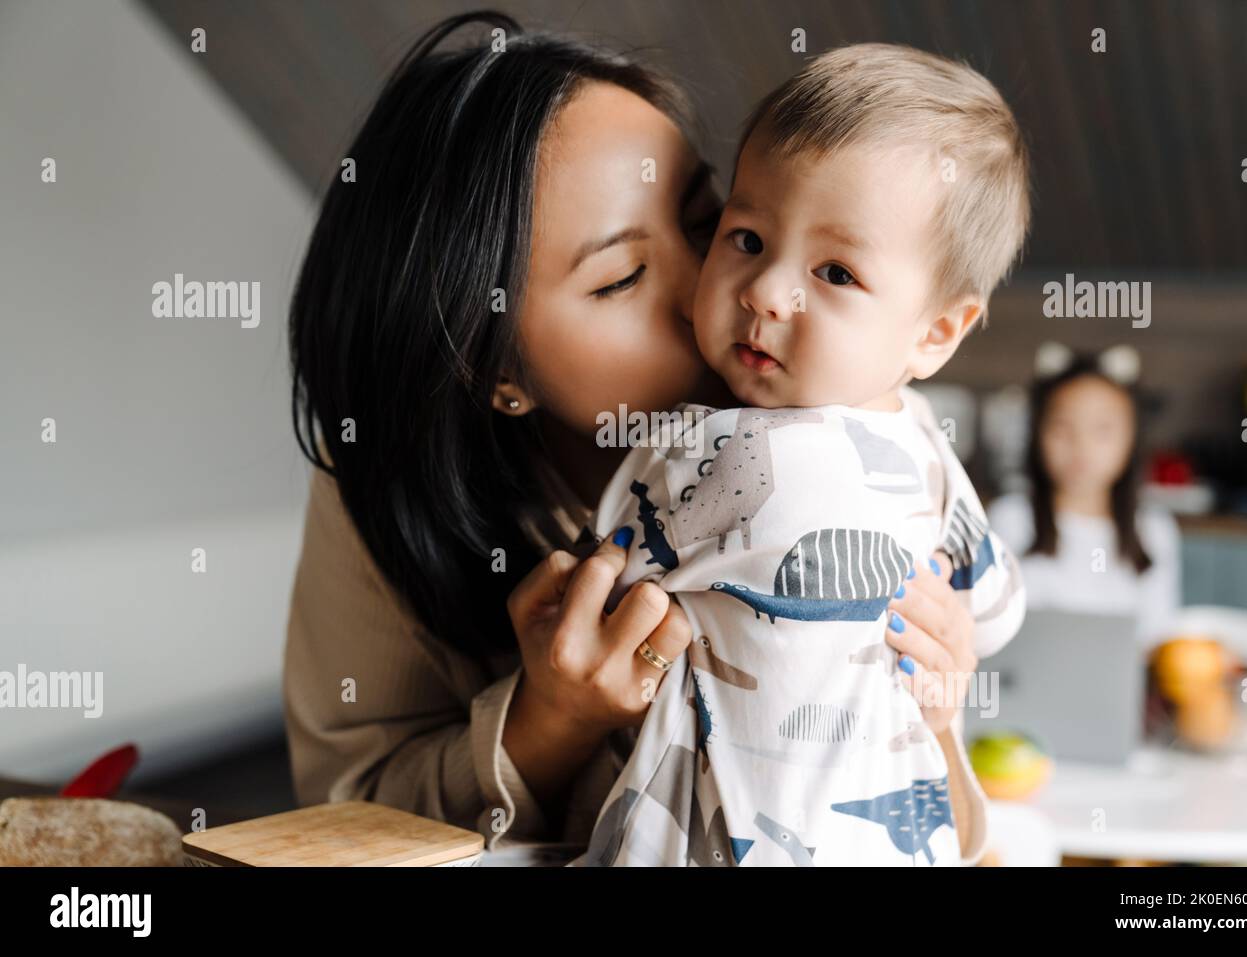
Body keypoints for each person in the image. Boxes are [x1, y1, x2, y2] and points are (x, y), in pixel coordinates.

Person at [283, 12, 993, 865]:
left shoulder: (869, 443)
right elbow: (334, 821)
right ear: (491, 371)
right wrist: (552, 719)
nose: (743, 289)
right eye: (621, 277)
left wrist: (936, 712)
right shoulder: (379, 482)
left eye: (709, 221)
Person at [575, 43, 1029, 867]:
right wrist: (954, 634)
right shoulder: (928, 443)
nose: (766, 292)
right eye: (746, 237)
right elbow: (996, 605)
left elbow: (602, 581)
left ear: (935, 331)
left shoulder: (694, 450)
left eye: (834, 272)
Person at [987, 343, 1182, 648]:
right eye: (1063, 428)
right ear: (1037, 434)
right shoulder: (1010, 519)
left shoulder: (1154, 530)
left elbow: (1157, 638)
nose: (1082, 446)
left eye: (1102, 430)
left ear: (1132, 438)